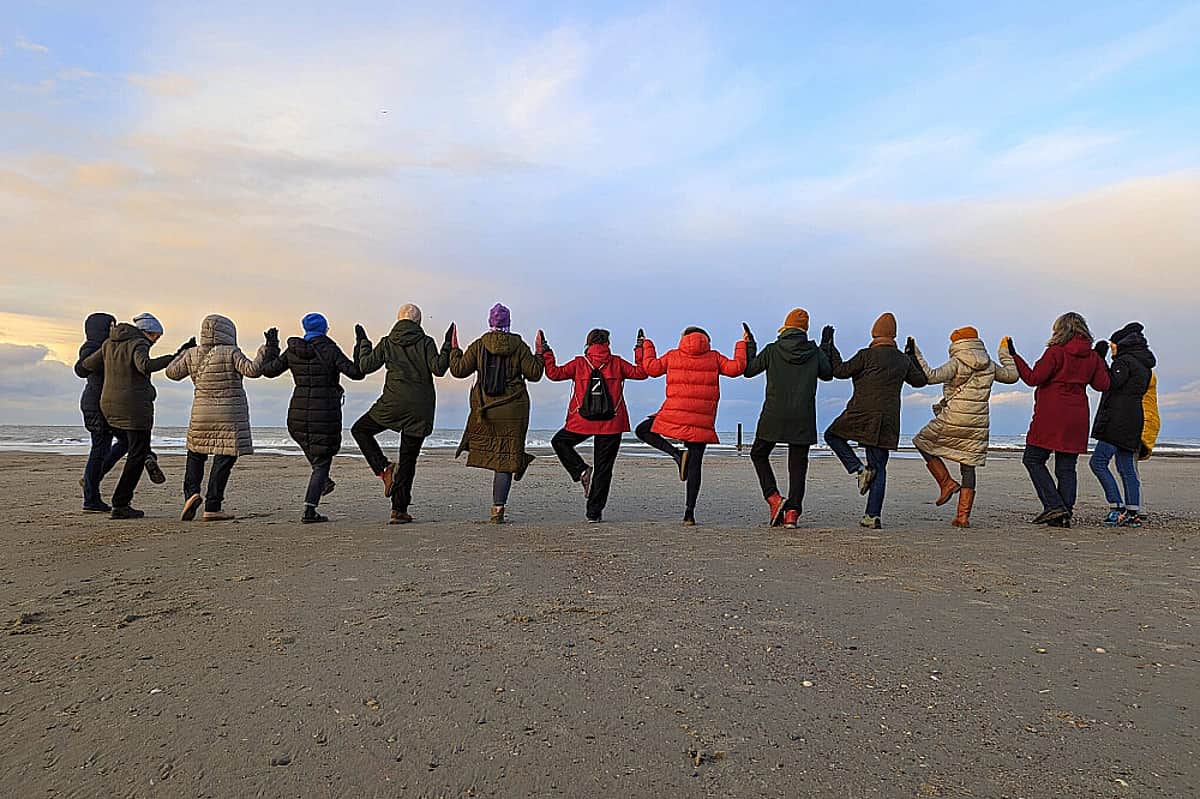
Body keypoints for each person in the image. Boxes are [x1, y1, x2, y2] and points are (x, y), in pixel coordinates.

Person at [822, 312, 928, 529]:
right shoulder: (902, 360)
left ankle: (858, 470)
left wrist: (830, 347)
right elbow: (920, 381)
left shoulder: (866, 355)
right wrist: (912, 356)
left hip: (861, 413)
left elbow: (840, 371)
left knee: (831, 435)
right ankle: (872, 516)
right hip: (888, 419)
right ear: (894, 335)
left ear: (874, 333)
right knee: (879, 466)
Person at [166, 314, 277, 521]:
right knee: (225, 456)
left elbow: (171, 373)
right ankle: (213, 507)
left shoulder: (192, 354)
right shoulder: (231, 352)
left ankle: (191, 494)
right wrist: (265, 349)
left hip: (201, 414)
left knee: (195, 453)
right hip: (228, 413)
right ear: (228, 331)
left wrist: (182, 352)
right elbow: (252, 370)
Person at [635, 325, 748, 526]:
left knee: (643, 430)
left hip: (674, 414)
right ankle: (689, 513)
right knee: (695, 464)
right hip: (701, 420)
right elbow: (736, 369)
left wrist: (646, 344)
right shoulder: (714, 357)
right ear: (706, 339)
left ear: (683, 339)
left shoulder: (673, 355)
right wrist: (742, 344)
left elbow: (651, 369)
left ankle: (677, 455)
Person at [80, 313, 191, 519]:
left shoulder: (108, 344)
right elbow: (144, 366)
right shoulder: (139, 343)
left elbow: (85, 366)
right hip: (133, 408)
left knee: (129, 446)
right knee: (137, 454)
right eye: (156, 335)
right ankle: (121, 503)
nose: (156, 340)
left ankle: (95, 479)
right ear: (147, 332)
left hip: (108, 407)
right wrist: (175, 357)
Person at [909, 327, 1019, 528]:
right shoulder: (989, 365)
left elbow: (930, 376)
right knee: (968, 464)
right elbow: (1012, 376)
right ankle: (962, 517)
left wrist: (916, 354)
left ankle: (946, 483)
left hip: (954, 418)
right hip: (977, 424)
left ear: (956, 344)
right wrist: (1005, 351)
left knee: (921, 442)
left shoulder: (957, 362)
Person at [1007, 312, 1110, 527]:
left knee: (1033, 459)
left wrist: (1015, 357)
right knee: (1066, 467)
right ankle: (1064, 513)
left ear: (1060, 330)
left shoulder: (1055, 352)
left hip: (1051, 414)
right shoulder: (1091, 357)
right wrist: (1100, 359)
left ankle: (1054, 505)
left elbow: (1033, 378)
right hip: (1078, 415)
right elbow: (1102, 385)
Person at [351, 304, 451, 524]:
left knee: (360, 430)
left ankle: (384, 468)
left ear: (398, 320)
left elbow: (365, 365)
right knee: (408, 459)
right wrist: (447, 346)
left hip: (392, 403)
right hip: (419, 407)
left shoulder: (388, 341)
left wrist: (363, 343)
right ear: (419, 322)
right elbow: (439, 368)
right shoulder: (426, 342)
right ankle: (398, 509)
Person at [262, 312, 365, 523]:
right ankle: (310, 510)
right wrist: (360, 344)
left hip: (297, 412)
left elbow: (269, 371)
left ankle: (323, 482)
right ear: (325, 328)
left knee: (313, 449)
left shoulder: (293, 351)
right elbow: (356, 372)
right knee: (322, 462)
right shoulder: (329, 349)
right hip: (325, 411)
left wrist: (272, 346)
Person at [448, 303, 544, 524]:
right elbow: (535, 373)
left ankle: (513, 472)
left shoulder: (480, 345)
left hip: (487, 409)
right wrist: (539, 352)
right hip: (514, 410)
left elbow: (458, 370)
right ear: (508, 324)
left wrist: (454, 349)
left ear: (490, 323)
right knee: (507, 458)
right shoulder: (518, 345)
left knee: (498, 454)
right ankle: (498, 507)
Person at [542, 327, 648, 523]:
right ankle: (594, 513)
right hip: (612, 422)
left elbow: (554, 374)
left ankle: (581, 470)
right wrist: (640, 348)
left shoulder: (579, 363)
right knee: (604, 469)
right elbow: (641, 372)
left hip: (582, 421)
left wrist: (546, 352)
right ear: (607, 343)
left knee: (559, 442)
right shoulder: (616, 363)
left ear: (588, 343)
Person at [743, 309, 832, 529]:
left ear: (786, 327)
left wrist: (750, 345)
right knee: (798, 465)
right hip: (803, 415)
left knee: (758, 453)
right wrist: (826, 346)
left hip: (774, 413)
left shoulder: (773, 350)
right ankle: (792, 513)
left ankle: (773, 498)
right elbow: (828, 374)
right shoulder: (813, 352)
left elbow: (749, 370)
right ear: (805, 329)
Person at [1089, 322, 1156, 528]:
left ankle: (1116, 506)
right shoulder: (1144, 364)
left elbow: (1110, 383)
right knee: (1126, 466)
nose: (1111, 349)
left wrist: (1099, 360)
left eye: (1112, 345)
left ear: (1121, 343)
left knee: (1098, 462)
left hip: (1116, 419)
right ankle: (1133, 511)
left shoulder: (1124, 361)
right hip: (1134, 418)